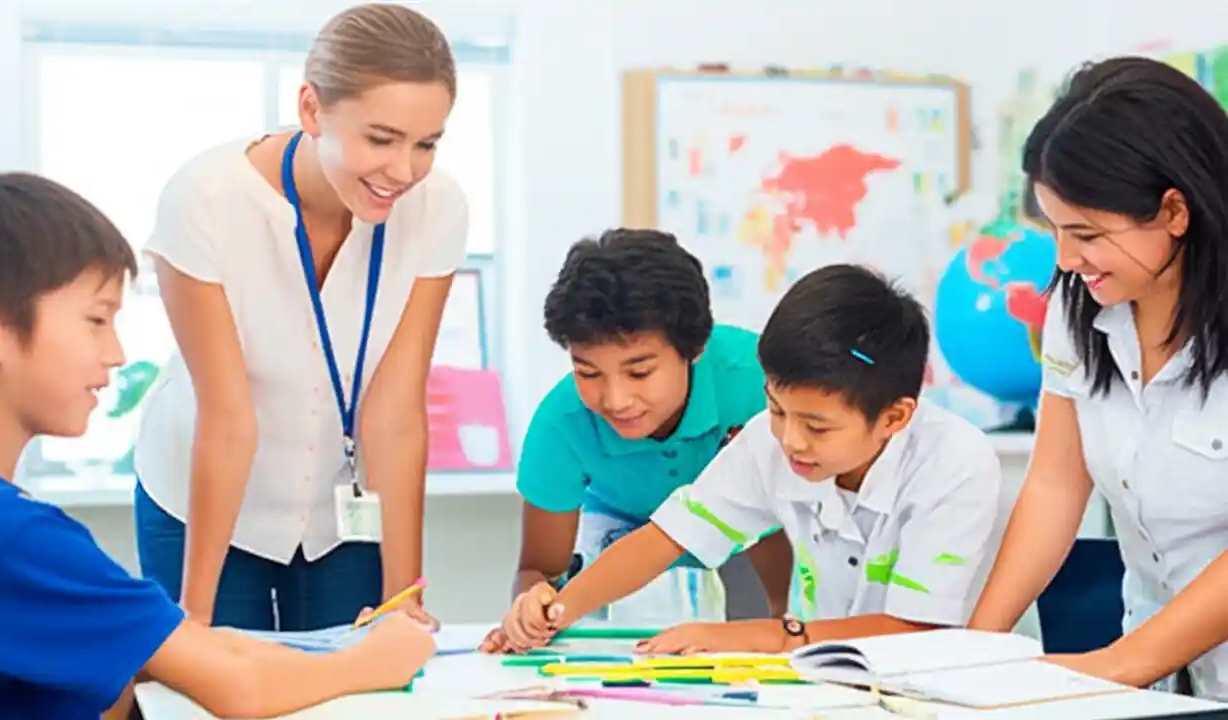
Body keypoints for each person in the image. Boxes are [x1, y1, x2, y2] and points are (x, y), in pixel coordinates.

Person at [0, 173, 434, 719]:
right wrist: (381, 658)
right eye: (95, 320)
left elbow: (172, 648)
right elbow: (238, 688)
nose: (116, 354)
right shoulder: (5, 533)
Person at [133, 3, 467, 631]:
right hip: (202, 501)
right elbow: (227, 416)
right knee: (216, 688)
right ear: (312, 109)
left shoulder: (437, 207)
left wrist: (404, 600)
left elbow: (395, 412)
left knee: (357, 685)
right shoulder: (207, 198)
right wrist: (194, 622)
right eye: (381, 138)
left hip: (337, 509)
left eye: (426, 143)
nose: (404, 171)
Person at [485, 264, 1003, 654]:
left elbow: (921, 633)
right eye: (776, 409)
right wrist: (555, 611)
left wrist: (766, 635)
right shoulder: (767, 440)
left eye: (816, 425)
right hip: (820, 680)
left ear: (893, 417)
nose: (791, 440)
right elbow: (665, 539)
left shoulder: (954, 464)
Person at [969, 56, 1228, 700]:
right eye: (1054, 229)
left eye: (1085, 233)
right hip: (1158, 681)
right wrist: (974, 650)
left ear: (1175, 211)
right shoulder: (1079, 305)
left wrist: (1116, 665)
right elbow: (1057, 485)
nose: (1064, 257)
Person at [493, 229, 792, 649]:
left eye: (639, 373)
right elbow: (540, 571)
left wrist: (788, 624)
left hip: (753, 541)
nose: (615, 400)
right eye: (588, 373)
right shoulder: (561, 422)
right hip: (619, 538)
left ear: (696, 348)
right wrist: (531, 605)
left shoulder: (763, 384)